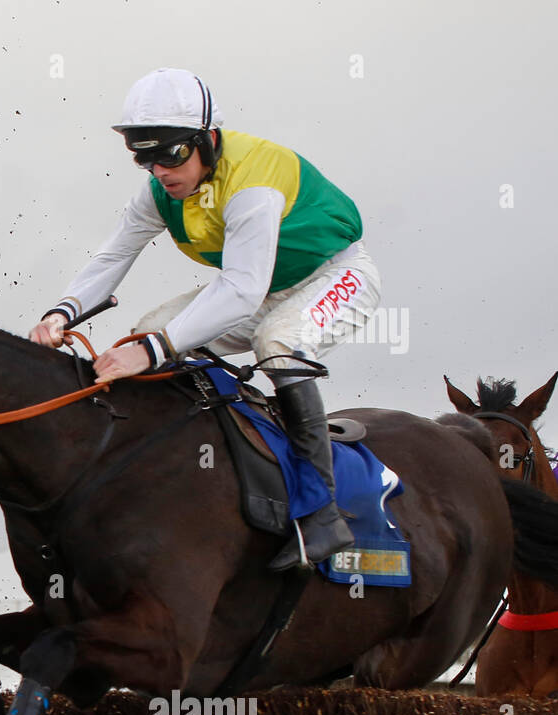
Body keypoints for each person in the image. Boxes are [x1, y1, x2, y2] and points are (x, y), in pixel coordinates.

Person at [29, 68, 382, 570]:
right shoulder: (158, 193)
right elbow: (112, 257)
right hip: (260, 288)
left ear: (208, 140)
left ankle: (322, 512)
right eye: (144, 157)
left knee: (277, 343)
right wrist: (61, 312)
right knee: (153, 330)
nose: (160, 171)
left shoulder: (252, 180)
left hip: (335, 275)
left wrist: (150, 350)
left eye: (171, 154)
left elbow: (240, 290)